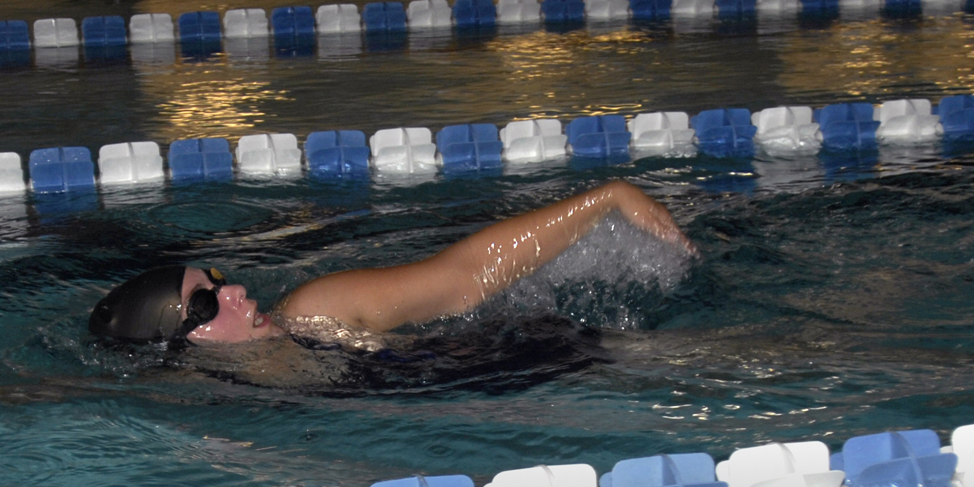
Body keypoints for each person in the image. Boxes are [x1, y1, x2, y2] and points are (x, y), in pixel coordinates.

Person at [84, 179, 690, 348]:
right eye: (206, 303)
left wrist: (605, 199)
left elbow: (467, 275)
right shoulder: (215, 420)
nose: (237, 289)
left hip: (558, 351)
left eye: (219, 281)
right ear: (176, 346)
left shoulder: (319, 311)